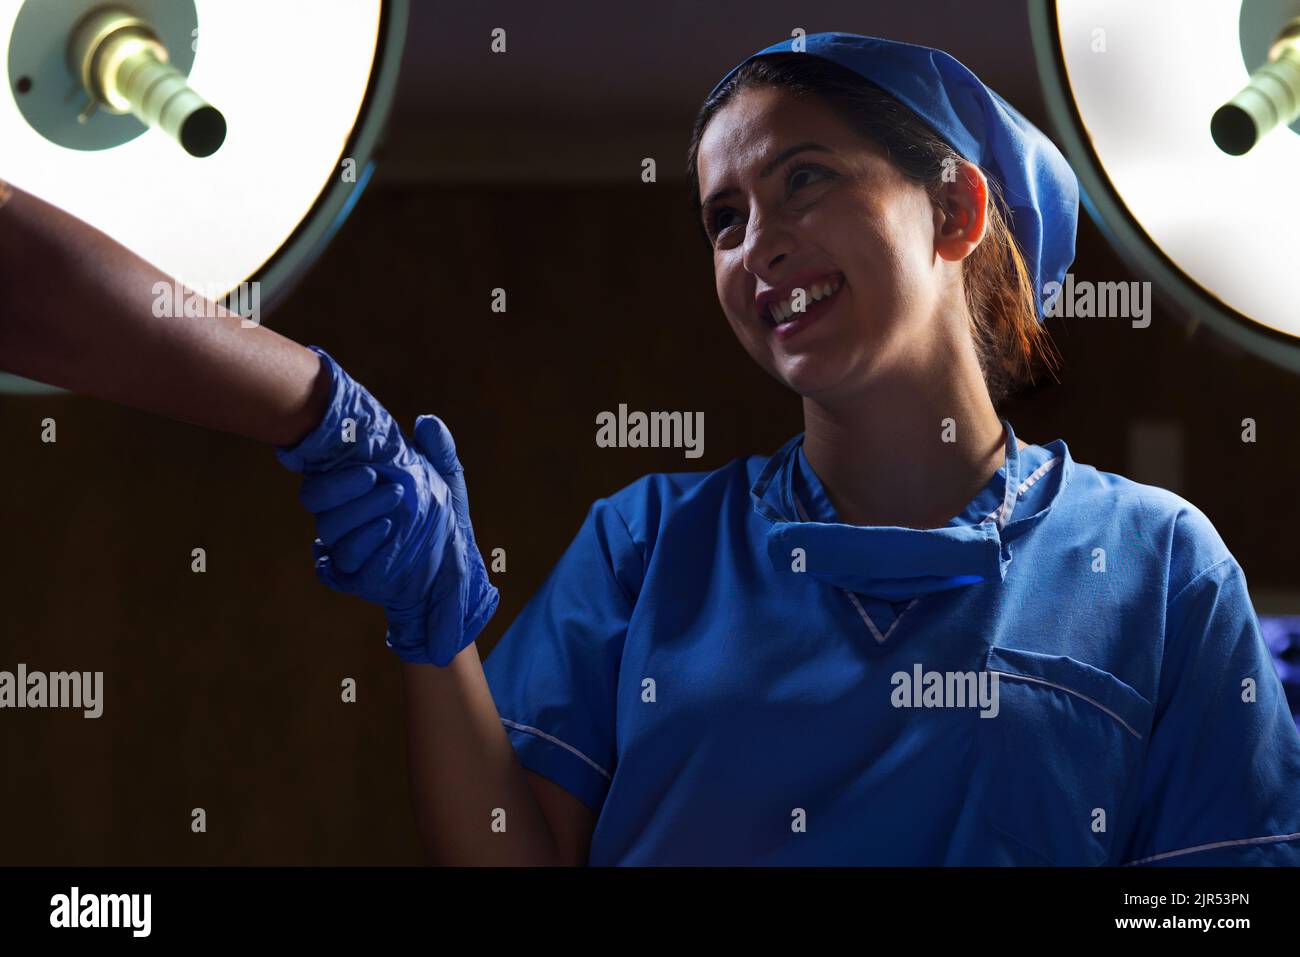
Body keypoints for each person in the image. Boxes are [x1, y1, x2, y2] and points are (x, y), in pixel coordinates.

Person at [2, 31, 1297, 867]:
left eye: (803, 179)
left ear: (956, 205)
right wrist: (434, 631)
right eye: (722, 217)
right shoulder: (649, 540)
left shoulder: (1162, 566)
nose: (755, 244)